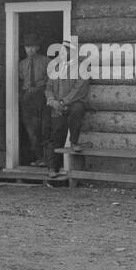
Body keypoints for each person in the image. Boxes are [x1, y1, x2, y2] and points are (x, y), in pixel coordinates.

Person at [45, 40, 90, 179]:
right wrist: (52, 101)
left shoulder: (82, 68)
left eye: (68, 51)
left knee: (77, 111)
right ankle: (53, 167)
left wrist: (65, 101)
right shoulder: (56, 67)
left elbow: (79, 89)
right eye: (63, 51)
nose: (64, 53)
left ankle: (74, 141)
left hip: (74, 103)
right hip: (57, 105)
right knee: (56, 133)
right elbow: (48, 87)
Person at [19, 34, 51, 166]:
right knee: (31, 131)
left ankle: (49, 160)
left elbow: (51, 81)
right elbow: (20, 81)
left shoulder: (47, 61)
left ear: (37, 47)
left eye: (32, 47)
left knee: (45, 129)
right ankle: (40, 158)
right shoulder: (21, 64)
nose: (30, 50)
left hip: (42, 96)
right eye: (27, 47)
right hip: (27, 98)